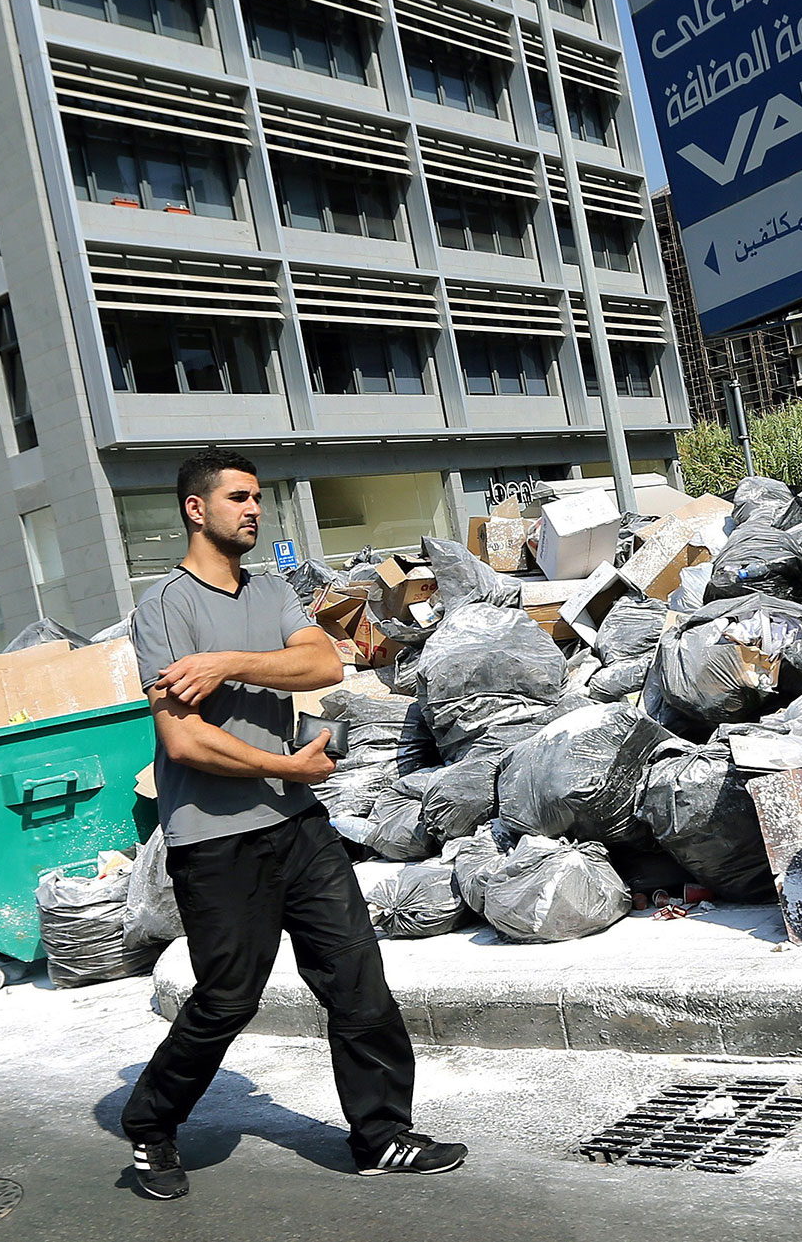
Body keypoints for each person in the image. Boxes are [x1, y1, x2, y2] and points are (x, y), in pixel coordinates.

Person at [119, 448, 465, 1201]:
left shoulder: (270, 588)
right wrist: (281, 765)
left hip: (297, 824)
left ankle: (380, 1135)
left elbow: (321, 663)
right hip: (213, 838)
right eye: (238, 498)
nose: (254, 509)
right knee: (227, 997)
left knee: (356, 978)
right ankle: (149, 1122)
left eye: (257, 498)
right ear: (195, 508)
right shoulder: (163, 608)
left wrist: (224, 664)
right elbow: (183, 740)